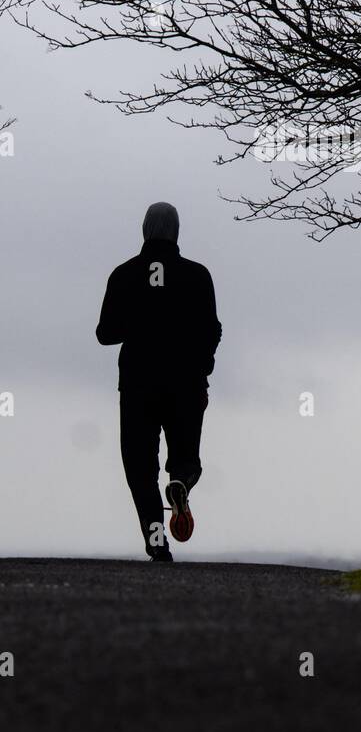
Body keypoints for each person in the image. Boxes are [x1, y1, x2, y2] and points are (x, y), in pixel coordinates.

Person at [96, 202, 222, 562]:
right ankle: (180, 483)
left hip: (138, 384)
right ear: (177, 232)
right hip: (187, 383)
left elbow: (105, 333)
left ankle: (156, 541)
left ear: (144, 230)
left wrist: (139, 322)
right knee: (186, 457)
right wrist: (204, 366)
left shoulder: (123, 275)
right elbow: (211, 330)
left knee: (140, 468)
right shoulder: (198, 276)